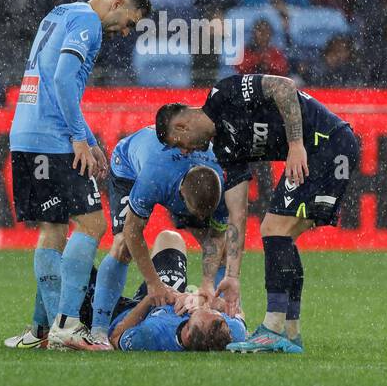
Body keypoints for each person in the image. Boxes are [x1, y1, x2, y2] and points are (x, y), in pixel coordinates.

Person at [156, 73, 360, 353]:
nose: (186, 149)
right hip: (318, 151)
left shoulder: (223, 94)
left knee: (275, 229)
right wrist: (232, 275)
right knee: (280, 233)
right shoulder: (225, 148)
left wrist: (296, 145)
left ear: (180, 126)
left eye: (179, 143)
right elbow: (237, 214)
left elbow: (284, 87)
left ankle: (274, 328)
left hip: (327, 144)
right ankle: (290, 332)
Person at [5, 0, 151, 351]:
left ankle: (42, 330)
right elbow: (64, 78)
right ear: (118, 4)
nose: (125, 32)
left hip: (25, 132)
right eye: (130, 23)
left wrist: (88, 137)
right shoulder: (88, 23)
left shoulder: (59, 12)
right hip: (54, 139)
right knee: (92, 224)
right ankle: (67, 324)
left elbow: (50, 79)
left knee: (52, 229)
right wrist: (77, 138)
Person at [88, 124, 232, 343]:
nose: (200, 221)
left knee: (223, 252)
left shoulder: (220, 180)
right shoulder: (153, 178)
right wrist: (154, 283)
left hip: (190, 178)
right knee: (122, 247)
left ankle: (224, 314)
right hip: (129, 168)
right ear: (181, 195)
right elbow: (132, 232)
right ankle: (98, 331)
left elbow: (217, 237)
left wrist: (207, 285)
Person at [105, 232, 247, 351]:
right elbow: (237, 312)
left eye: (203, 312)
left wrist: (148, 299)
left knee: (89, 287)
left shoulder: (152, 335)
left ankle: (96, 324)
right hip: (167, 294)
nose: (208, 309)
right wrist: (208, 301)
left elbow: (115, 337)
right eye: (214, 312)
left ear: (188, 335)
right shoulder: (231, 332)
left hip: (127, 312)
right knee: (170, 238)